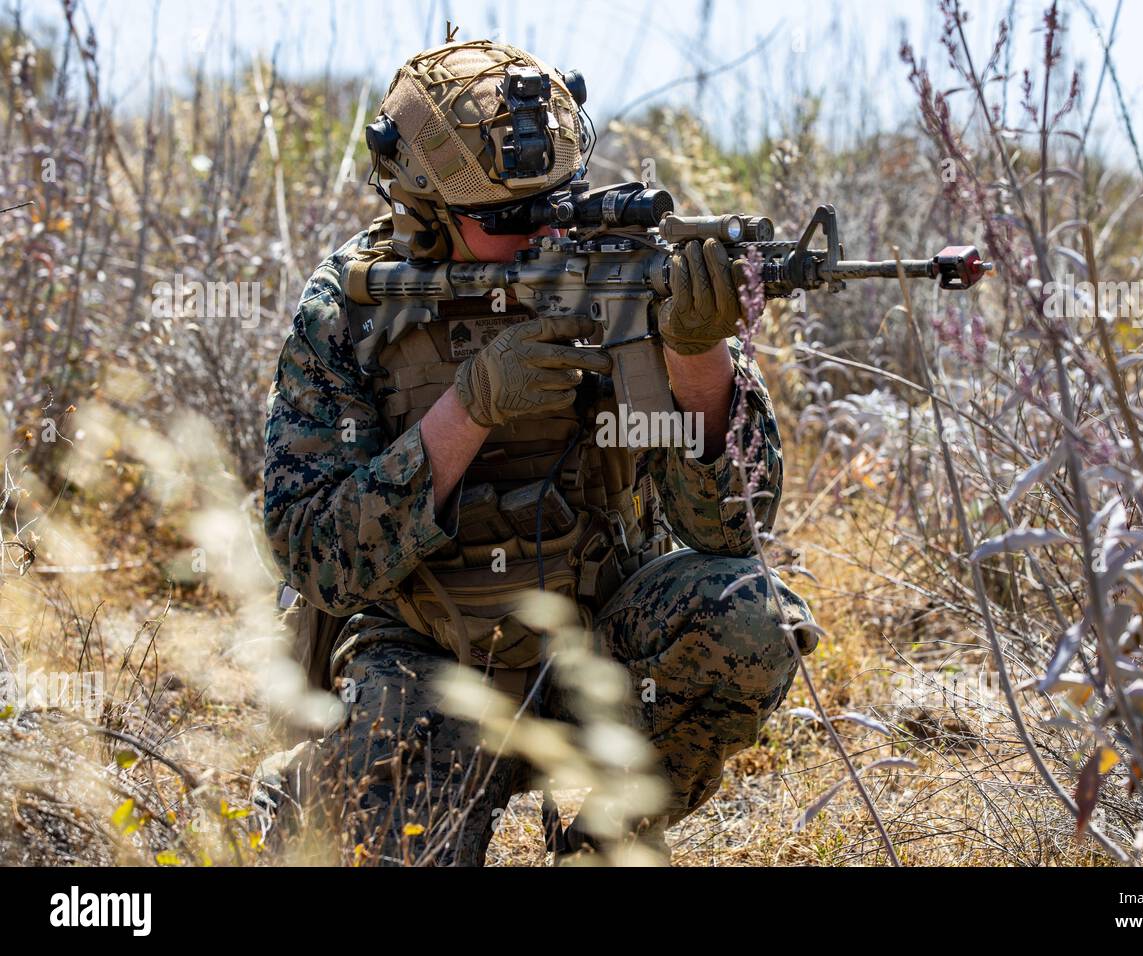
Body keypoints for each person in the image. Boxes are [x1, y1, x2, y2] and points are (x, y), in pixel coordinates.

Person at [261, 38, 816, 865]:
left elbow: (735, 531)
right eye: (507, 218)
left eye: (558, 201)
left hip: (601, 647)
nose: (542, 232)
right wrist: (469, 409)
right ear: (422, 204)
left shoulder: (628, 277)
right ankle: (311, 784)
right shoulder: (350, 309)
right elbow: (316, 556)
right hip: (425, 657)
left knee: (752, 617)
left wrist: (694, 356)